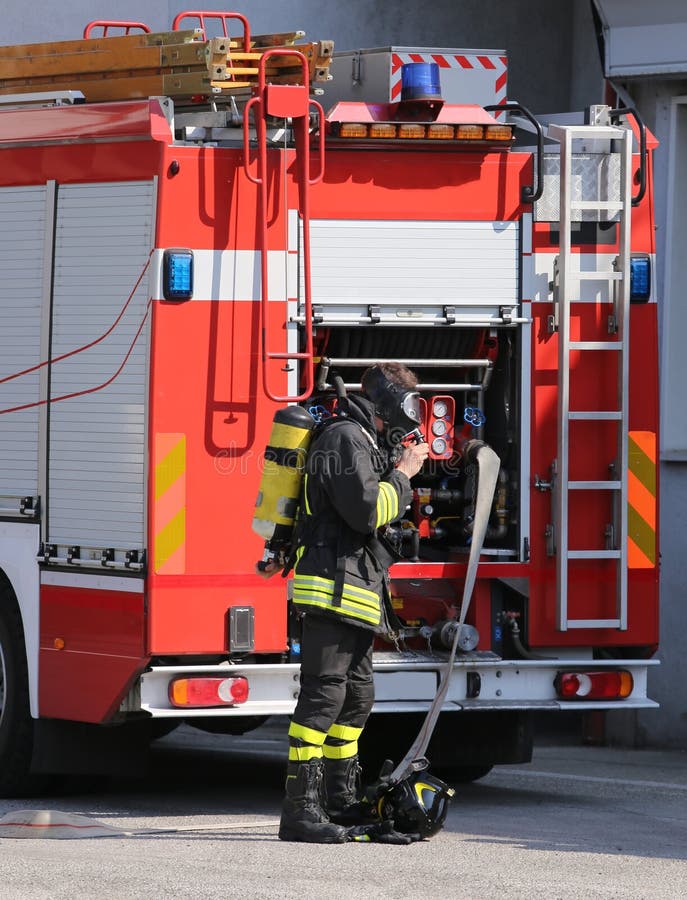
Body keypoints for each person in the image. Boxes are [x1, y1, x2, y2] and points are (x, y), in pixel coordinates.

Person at [276, 362, 429, 843]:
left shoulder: (365, 440)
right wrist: (403, 476)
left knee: (356, 698)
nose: (410, 415)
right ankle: (300, 810)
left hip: (357, 590)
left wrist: (399, 466)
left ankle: (340, 802)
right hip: (332, 589)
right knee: (324, 695)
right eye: (406, 403)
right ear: (386, 401)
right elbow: (365, 512)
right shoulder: (344, 438)